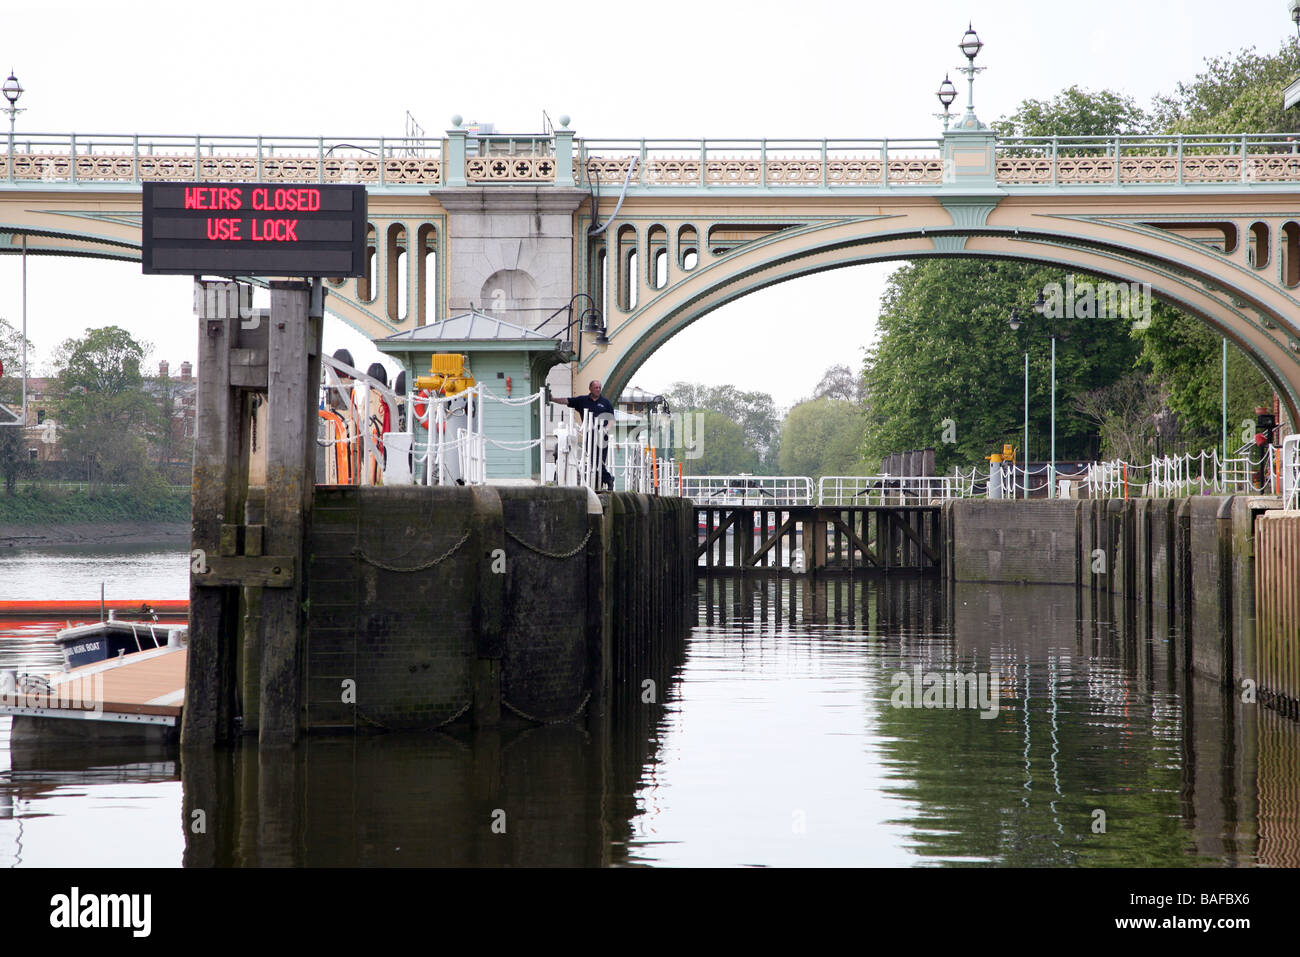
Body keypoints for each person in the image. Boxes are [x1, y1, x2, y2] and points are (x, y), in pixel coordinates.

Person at [551, 379, 615, 490]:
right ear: (590, 388)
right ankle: (607, 479)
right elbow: (566, 400)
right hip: (589, 435)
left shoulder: (606, 402)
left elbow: (611, 419)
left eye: (600, 387)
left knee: (600, 461)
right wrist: (552, 399)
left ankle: (602, 482)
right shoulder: (582, 400)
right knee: (592, 460)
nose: (598, 390)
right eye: (596, 387)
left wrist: (605, 429)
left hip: (602, 436)